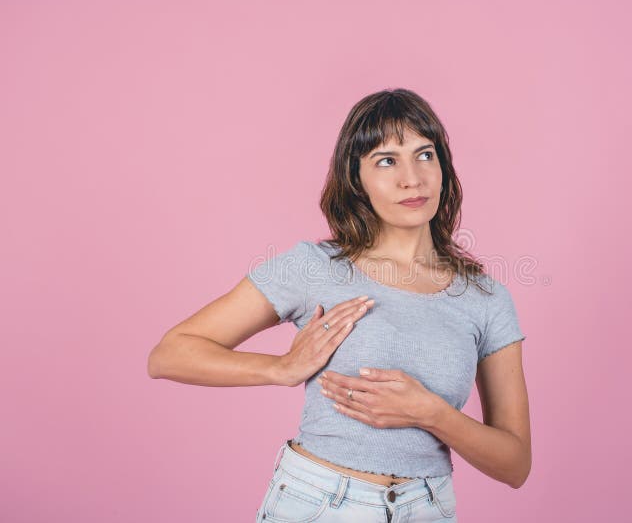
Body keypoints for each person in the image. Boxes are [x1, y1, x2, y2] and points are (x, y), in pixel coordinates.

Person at [148, 88, 530, 522]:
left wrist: (433, 414)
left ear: (443, 167)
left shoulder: (485, 298)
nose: (412, 178)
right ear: (356, 179)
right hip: (320, 503)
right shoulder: (314, 268)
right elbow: (168, 355)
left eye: (425, 155)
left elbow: (515, 464)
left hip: (429, 508)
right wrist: (280, 368)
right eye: (386, 161)